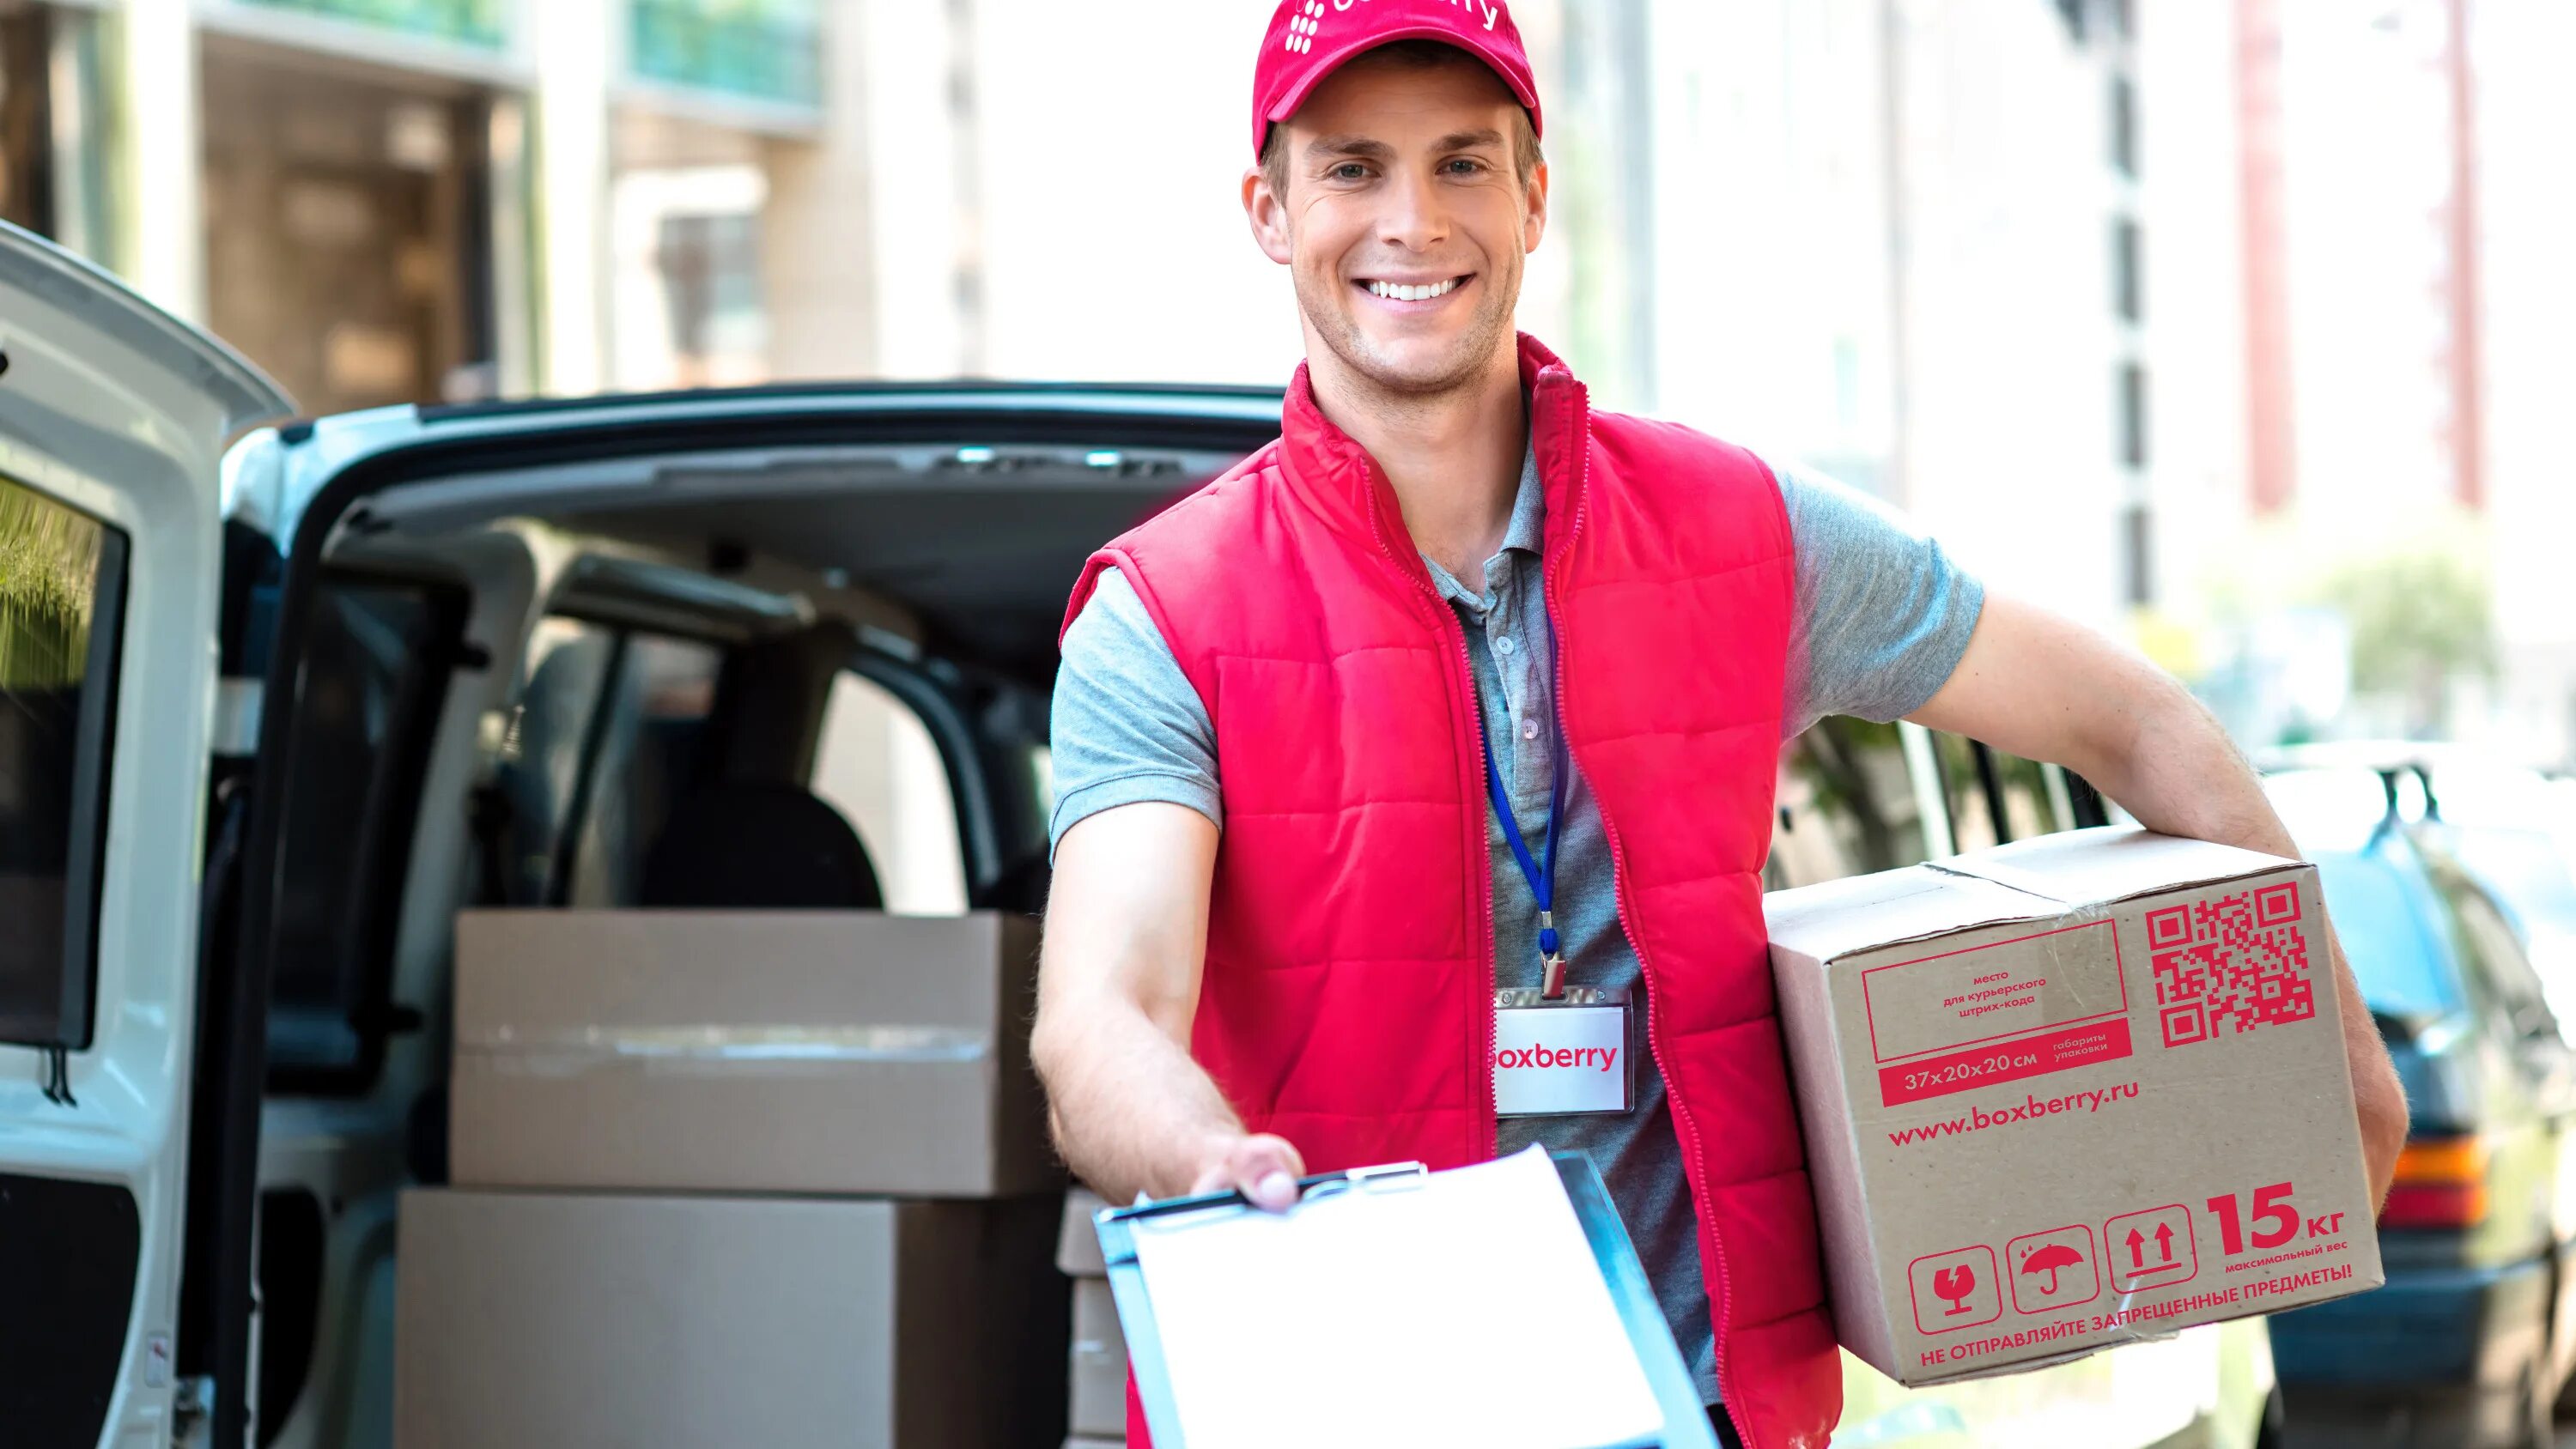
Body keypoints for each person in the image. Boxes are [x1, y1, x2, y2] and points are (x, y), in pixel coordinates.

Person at [1030, 3, 2409, 1446]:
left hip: (1712, 1408)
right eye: (1354, 169)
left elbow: (2137, 722)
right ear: (1271, 210)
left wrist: (2340, 1065)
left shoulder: (1741, 534)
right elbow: (1103, 1014)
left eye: (1462, 164)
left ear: (1534, 196)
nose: (1412, 221)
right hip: (1351, 1403)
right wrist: (1210, 1161)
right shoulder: (1166, 615)